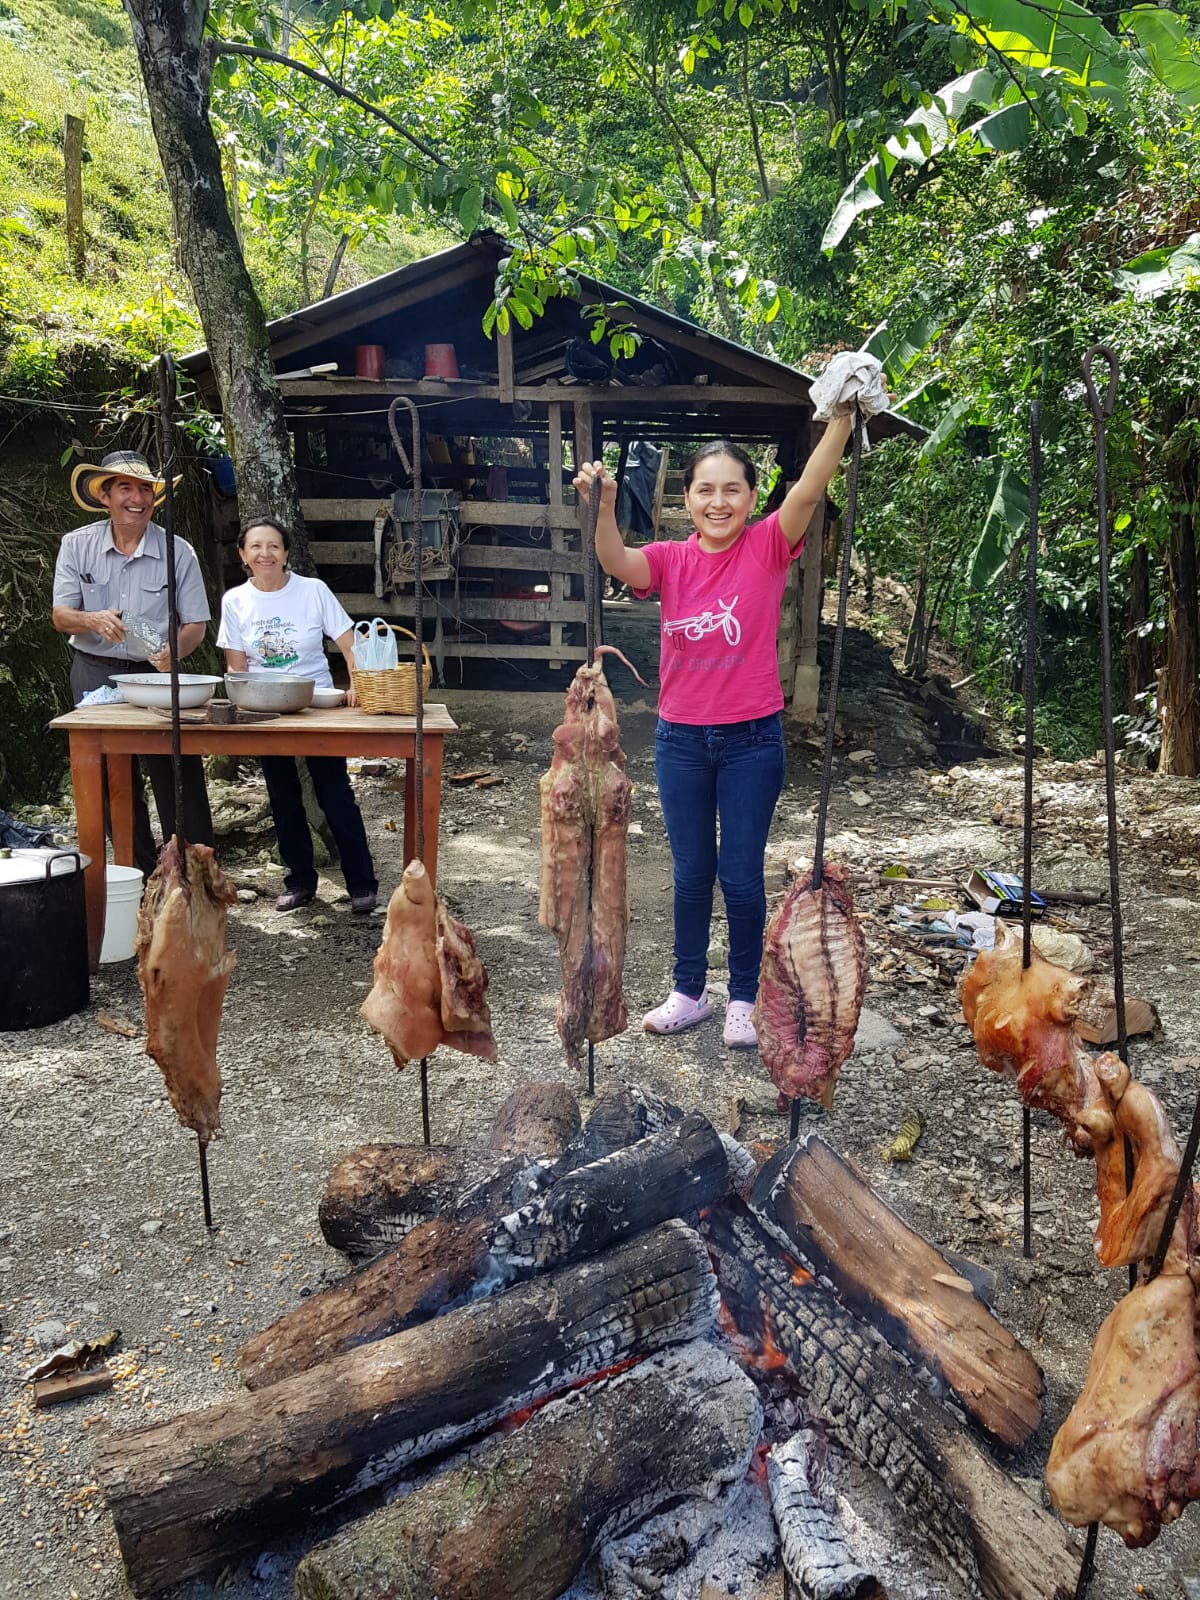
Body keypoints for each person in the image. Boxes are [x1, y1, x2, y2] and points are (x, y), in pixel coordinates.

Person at [575, 413, 853, 1050]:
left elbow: (808, 490)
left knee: (741, 874)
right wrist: (606, 506)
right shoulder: (672, 560)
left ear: (752, 499)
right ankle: (690, 991)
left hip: (752, 742)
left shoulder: (766, 546)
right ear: (688, 499)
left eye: (732, 489)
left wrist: (840, 420)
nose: (719, 501)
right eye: (706, 489)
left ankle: (744, 998)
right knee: (692, 871)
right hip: (680, 742)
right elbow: (614, 557)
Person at [52, 450, 215, 878]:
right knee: (109, 777)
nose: (137, 498)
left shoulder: (177, 550)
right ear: (105, 495)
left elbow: (195, 622)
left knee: (176, 771)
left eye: (146, 488)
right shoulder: (77, 545)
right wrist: (92, 618)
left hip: (156, 676)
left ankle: (193, 875)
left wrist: (173, 651)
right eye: (125, 487)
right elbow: (60, 615)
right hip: (94, 670)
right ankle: (138, 873)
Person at [217, 518, 378, 915]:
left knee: (334, 793)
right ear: (243, 555)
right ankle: (300, 881)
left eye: (274, 546)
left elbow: (349, 643)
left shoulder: (313, 591)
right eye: (256, 547)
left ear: (286, 553)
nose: (265, 553)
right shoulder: (235, 600)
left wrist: (357, 683)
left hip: (316, 705)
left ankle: (361, 883)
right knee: (283, 796)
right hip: (265, 709)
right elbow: (236, 667)